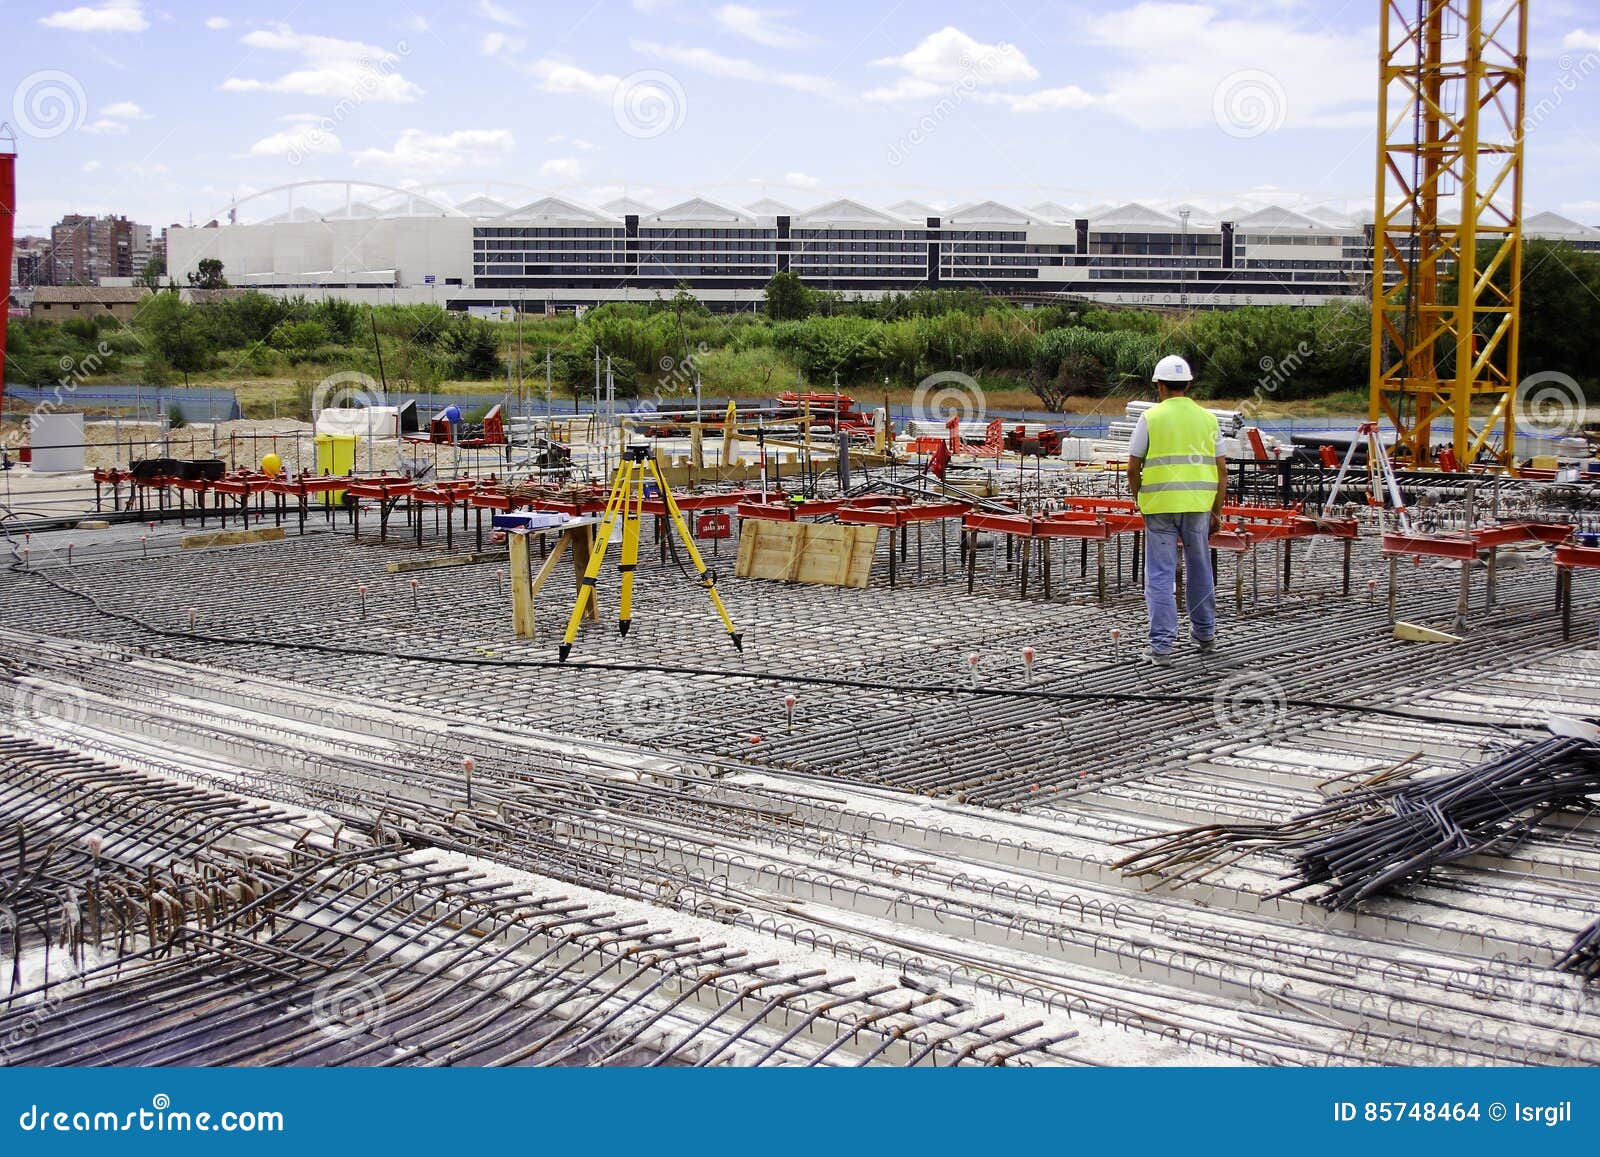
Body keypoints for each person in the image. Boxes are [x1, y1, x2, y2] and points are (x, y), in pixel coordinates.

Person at [1125, 355, 1226, 666]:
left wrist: (1139, 499)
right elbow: (1221, 470)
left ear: (1160, 386)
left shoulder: (1151, 418)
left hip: (1160, 509)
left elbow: (1133, 465)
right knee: (1200, 569)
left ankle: (1162, 646)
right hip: (1198, 507)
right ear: (1189, 384)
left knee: (1160, 574)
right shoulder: (1209, 420)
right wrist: (1216, 511)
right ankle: (1205, 634)